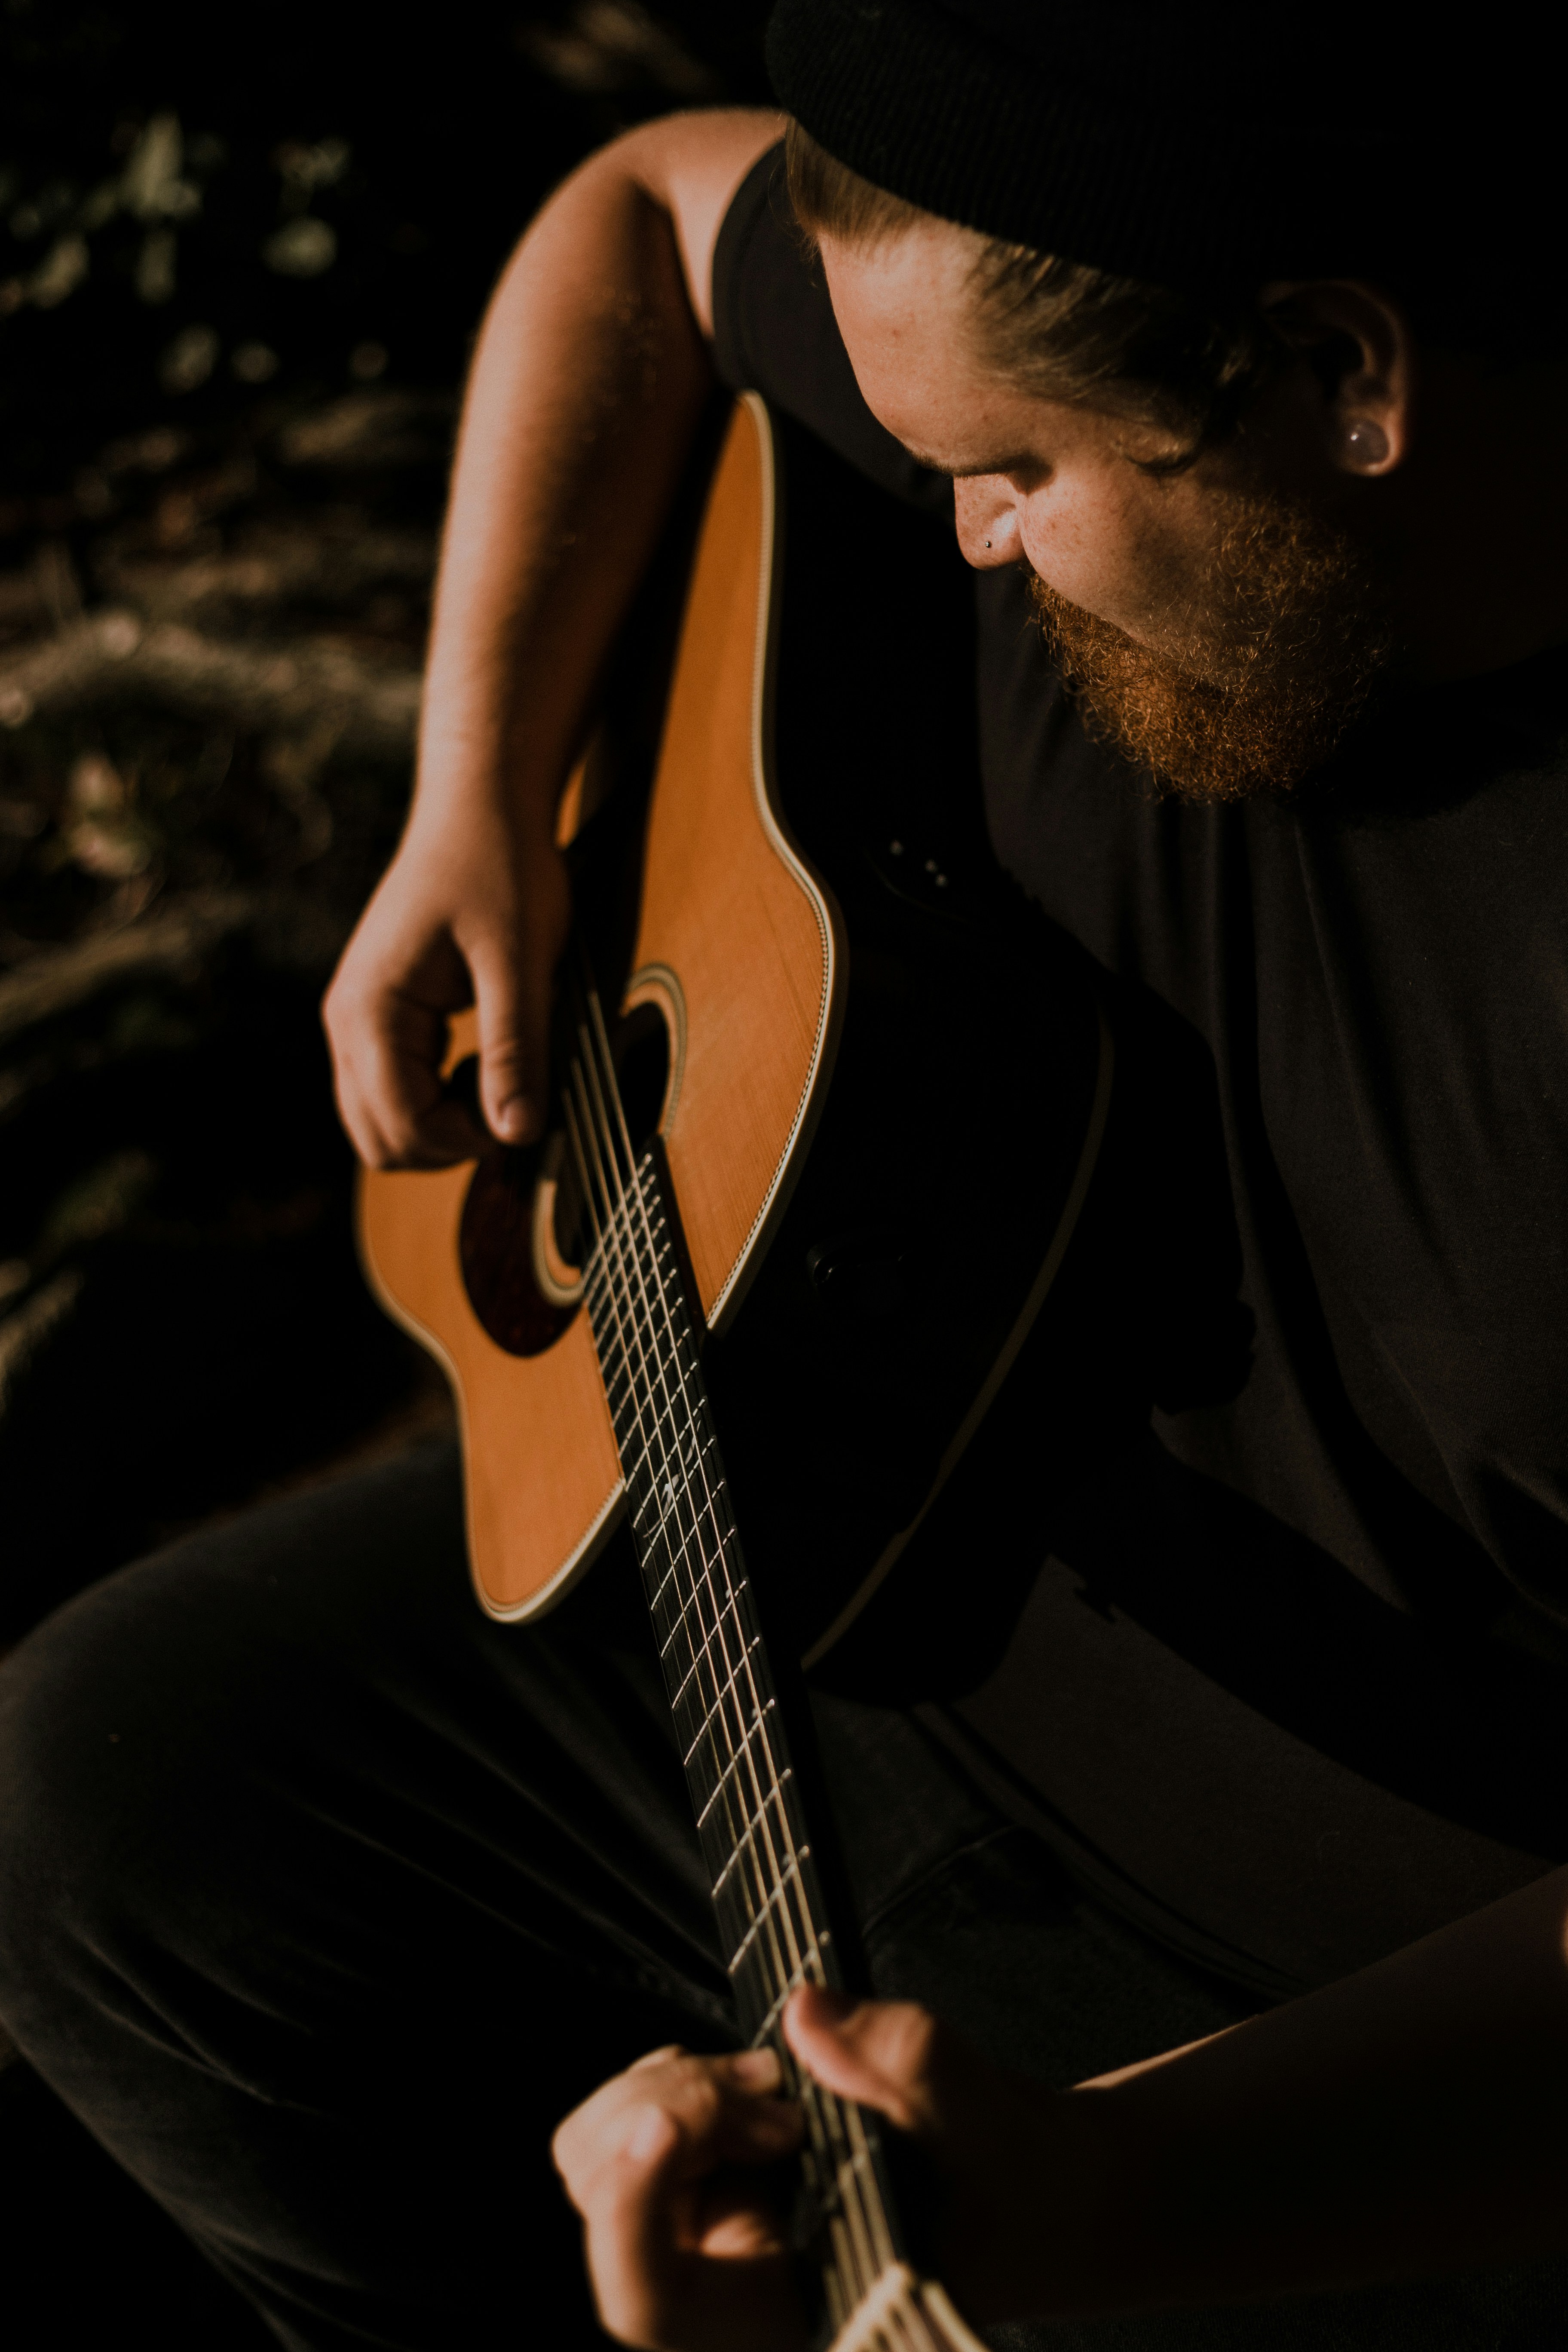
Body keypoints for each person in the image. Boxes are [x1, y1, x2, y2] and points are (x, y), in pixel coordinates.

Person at [3, 4, 1568, 2346]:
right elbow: (633, 216)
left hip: (1349, 1982)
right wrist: (474, 794)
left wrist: (1136, 2185)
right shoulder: (1069, 297)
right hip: (874, 1529)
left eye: (1019, 469)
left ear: (1345, 374)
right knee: (106, 1819)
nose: (963, 533)